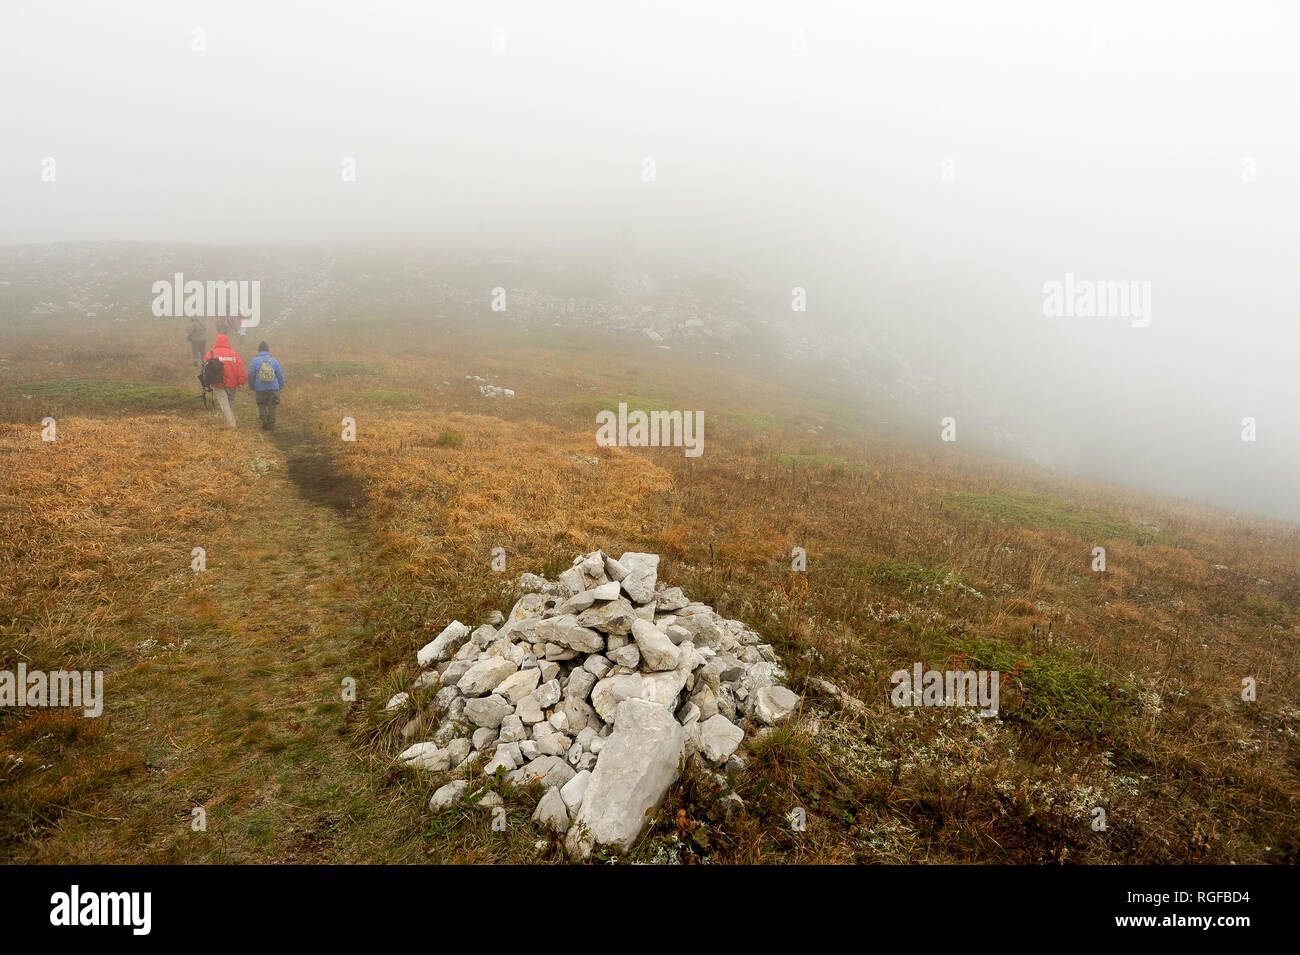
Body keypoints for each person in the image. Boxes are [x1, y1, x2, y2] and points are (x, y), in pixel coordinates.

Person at [202, 333, 247, 427]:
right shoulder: (234, 354)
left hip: (217, 383)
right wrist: (241, 382)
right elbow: (240, 369)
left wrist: (206, 382)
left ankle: (229, 424)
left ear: (216, 342)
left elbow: (205, 369)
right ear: (228, 342)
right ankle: (230, 423)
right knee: (228, 404)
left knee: (225, 405)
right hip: (232, 383)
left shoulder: (210, 354)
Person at [247, 341, 284, 431]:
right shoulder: (274, 361)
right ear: (268, 350)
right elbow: (280, 375)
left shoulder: (255, 361)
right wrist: (280, 386)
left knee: (261, 404)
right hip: (273, 388)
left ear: (259, 350)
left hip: (260, 388)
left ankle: (264, 422)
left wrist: (252, 386)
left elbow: (251, 375)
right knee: (272, 406)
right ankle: (271, 423)